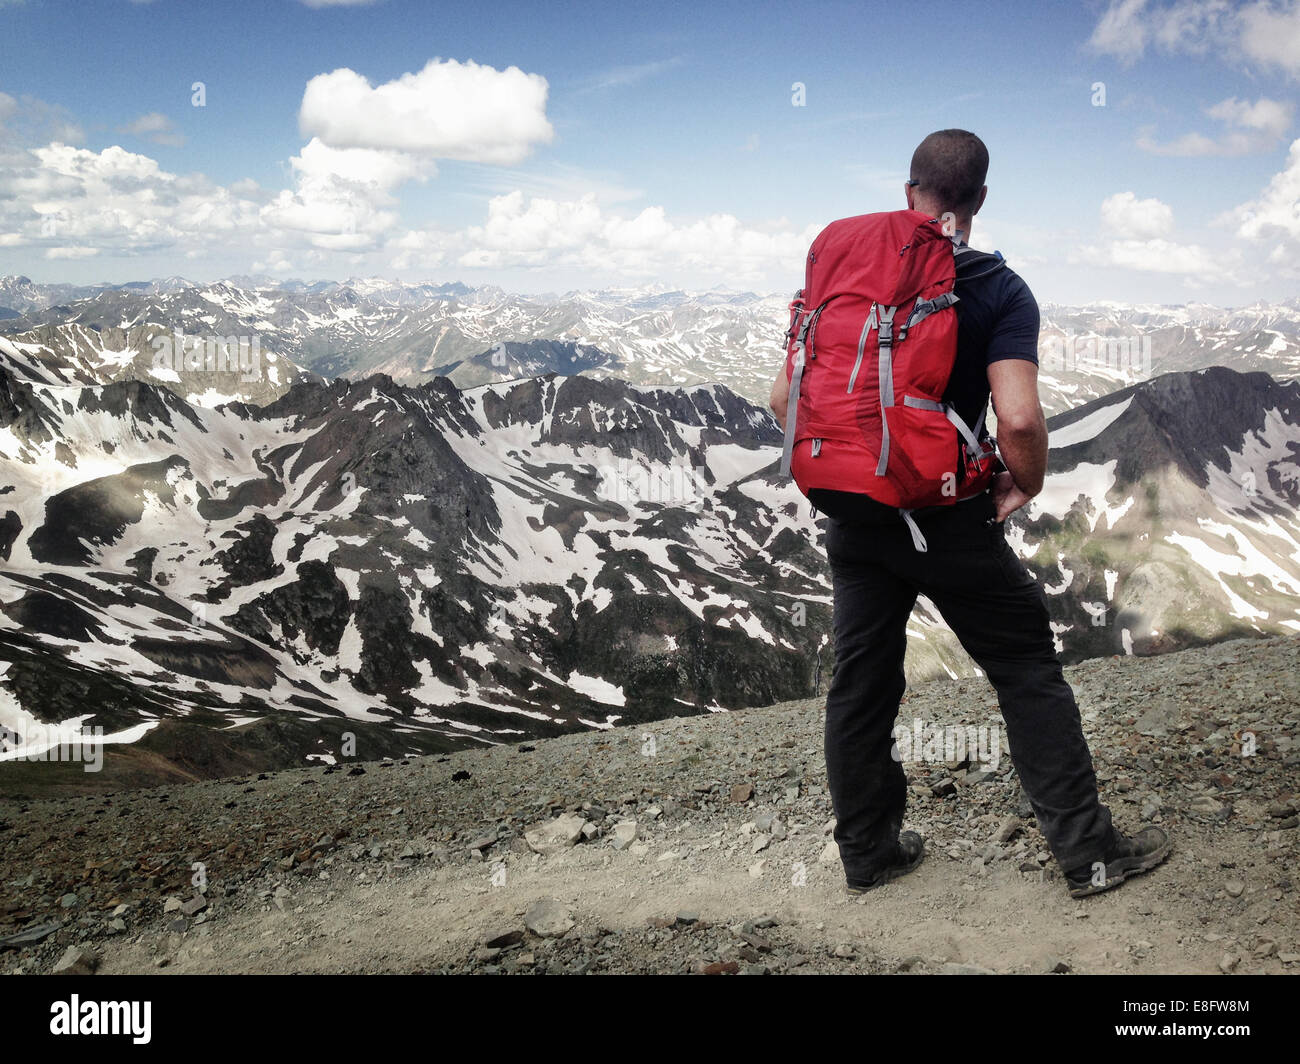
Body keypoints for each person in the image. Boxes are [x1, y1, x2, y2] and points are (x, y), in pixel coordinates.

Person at [769, 129, 1170, 899]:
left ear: (907, 190)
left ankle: (869, 853)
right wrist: (1023, 483)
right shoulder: (997, 288)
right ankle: (1089, 856)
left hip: (856, 516)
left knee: (861, 683)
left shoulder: (846, 274)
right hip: (950, 520)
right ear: (980, 200)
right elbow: (1017, 420)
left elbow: (785, 401)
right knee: (1024, 671)